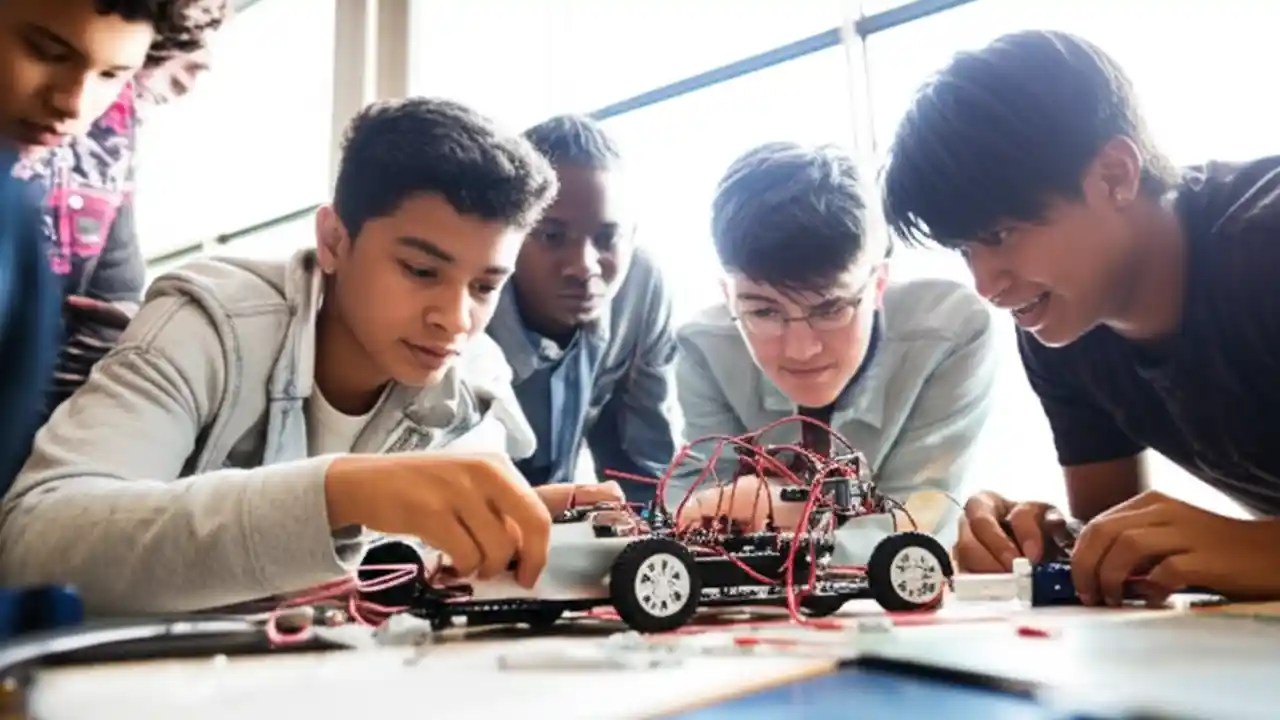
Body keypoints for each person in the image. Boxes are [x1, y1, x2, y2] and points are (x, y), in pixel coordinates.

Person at [0, 97, 626, 616]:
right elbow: (34, 545)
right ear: (333, 240)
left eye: (486, 286)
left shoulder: (473, 386)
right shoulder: (206, 322)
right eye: (419, 269)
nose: (456, 319)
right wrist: (339, 493)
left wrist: (516, 540)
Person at [880, 29, 1280, 606]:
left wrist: (1251, 548)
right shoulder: (1062, 329)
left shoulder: (1265, 246)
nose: (986, 286)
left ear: (1115, 176)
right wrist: (1052, 540)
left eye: (1000, 235)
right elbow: (1116, 549)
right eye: (966, 250)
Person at [671, 141, 997, 539]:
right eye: (763, 312)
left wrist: (783, 508)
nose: (801, 349)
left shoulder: (950, 334)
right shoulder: (704, 348)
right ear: (728, 296)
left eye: (830, 310)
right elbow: (688, 513)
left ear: (878, 284)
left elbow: (916, 529)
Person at [0, 0, 228, 412]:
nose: (73, 105)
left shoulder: (105, 137)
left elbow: (109, 302)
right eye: (46, 52)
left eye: (111, 75)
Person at [486, 114, 678, 502]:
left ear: (632, 235)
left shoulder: (642, 287)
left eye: (607, 238)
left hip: (571, 521)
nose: (584, 266)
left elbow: (645, 465)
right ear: (510, 233)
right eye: (553, 236)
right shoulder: (469, 292)